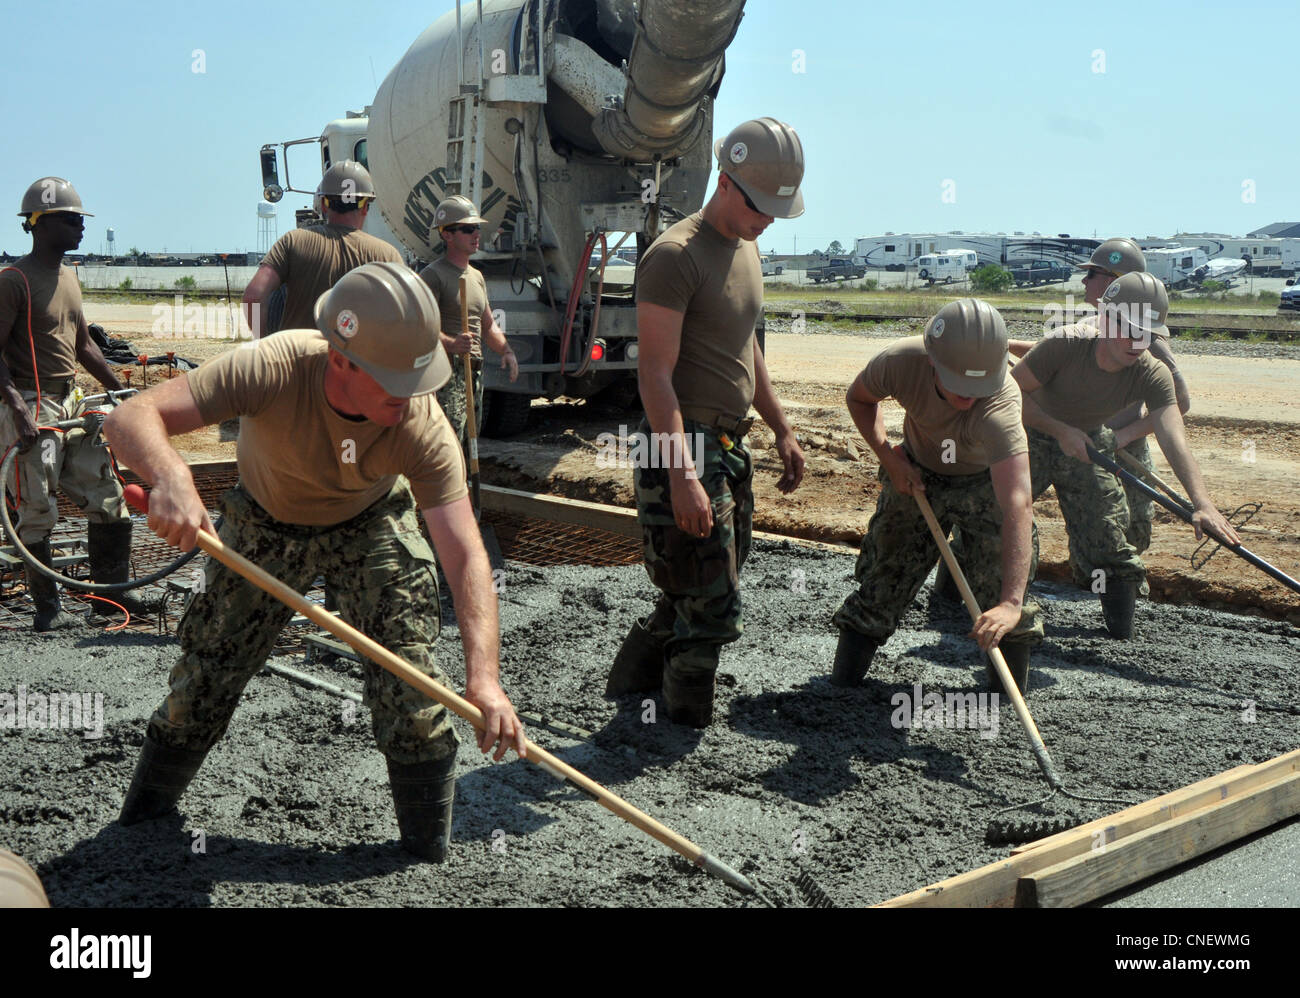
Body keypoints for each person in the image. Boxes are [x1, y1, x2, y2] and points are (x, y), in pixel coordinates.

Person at [104, 261, 525, 862]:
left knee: (412, 676)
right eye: (393, 385)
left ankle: (425, 856)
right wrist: (170, 475)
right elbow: (129, 418)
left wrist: (484, 678)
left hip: (369, 521)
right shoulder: (274, 366)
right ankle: (139, 825)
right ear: (341, 361)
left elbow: (463, 554)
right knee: (208, 672)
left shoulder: (421, 424)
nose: (411, 400)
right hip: (264, 519)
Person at [604, 117, 806, 727]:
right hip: (681, 442)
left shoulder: (746, 248)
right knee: (715, 600)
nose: (767, 219)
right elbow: (655, 376)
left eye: (777, 208)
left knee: (700, 579)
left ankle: (632, 682)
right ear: (726, 182)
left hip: (727, 442)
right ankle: (682, 721)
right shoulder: (674, 256)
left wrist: (782, 427)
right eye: (760, 206)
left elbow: (748, 350)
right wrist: (683, 474)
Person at [1012, 271, 1240, 638]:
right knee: (995, 523)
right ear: (1105, 318)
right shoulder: (1066, 344)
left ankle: (1121, 637)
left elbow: (1171, 433)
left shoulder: (1152, 374)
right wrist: (1059, 430)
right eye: (1130, 328)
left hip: (1087, 446)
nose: (1138, 341)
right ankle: (962, 598)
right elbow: (1009, 396)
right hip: (1028, 438)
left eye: (1148, 332)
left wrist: (1203, 502)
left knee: (1109, 539)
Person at [831, 300, 1042, 694]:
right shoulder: (899, 362)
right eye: (959, 385)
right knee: (883, 579)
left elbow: (1017, 502)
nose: (968, 397)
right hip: (917, 471)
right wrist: (889, 459)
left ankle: (1004, 698)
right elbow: (859, 398)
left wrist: (1011, 603)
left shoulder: (1001, 407)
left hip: (984, 482)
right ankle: (840, 691)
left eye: (977, 387)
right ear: (932, 361)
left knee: (1004, 598)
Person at [1007, 238, 1191, 582]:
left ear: (1115, 279)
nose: (1084, 281)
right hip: (1074, 437)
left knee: (1127, 531)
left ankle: (1100, 589)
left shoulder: (1147, 337)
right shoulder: (1100, 322)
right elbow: (1055, 355)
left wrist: (1122, 436)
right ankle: (1087, 583)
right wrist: (1004, 345)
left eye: (1092, 273)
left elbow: (1178, 404)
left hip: (1119, 446)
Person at [0, 177, 134, 630]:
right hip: (31, 403)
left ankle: (110, 598)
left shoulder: (69, 277)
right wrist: (17, 410)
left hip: (71, 404)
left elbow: (83, 346)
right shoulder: (13, 281)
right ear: (40, 224)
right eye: (71, 219)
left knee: (108, 495)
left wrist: (121, 392)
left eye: (80, 220)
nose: (81, 226)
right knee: (36, 508)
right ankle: (48, 610)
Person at [242, 160, 402, 338]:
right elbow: (406, 314)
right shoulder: (387, 255)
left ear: (324, 204)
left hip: (298, 360)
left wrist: (262, 342)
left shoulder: (293, 241)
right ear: (365, 207)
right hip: (355, 363)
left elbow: (253, 298)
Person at [417, 195, 518, 448]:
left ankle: (464, 487)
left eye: (477, 228)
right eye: (467, 229)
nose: (476, 234)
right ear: (446, 235)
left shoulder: (476, 277)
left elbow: (487, 324)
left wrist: (506, 350)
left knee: (470, 442)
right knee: (447, 441)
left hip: (474, 369)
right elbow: (418, 325)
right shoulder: (433, 275)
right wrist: (450, 344)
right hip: (446, 370)